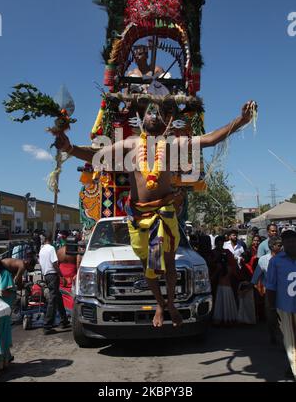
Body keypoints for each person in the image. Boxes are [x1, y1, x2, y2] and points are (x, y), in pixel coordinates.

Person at [55, 100, 255, 328]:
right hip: (138, 214)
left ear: (165, 122)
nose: (153, 113)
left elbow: (210, 139)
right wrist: (69, 149)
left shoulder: (172, 144)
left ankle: (168, 304)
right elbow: (97, 154)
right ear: (142, 120)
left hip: (164, 211)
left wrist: (242, 120)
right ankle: (160, 303)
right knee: (148, 267)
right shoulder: (130, 144)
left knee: (167, 261)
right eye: (149, 111)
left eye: (158, 112)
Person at [266, 230, 296, 379]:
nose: (291, 244)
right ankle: (293, 368)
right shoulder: (276, 261)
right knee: (290, 340)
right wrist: (271, 308)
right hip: (286, 307)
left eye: (293, 240)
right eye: (288, 241)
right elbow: (271, 286)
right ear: (283, 244)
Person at [250, 235, 282, 343]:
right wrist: (254, 287)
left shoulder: (285, 258)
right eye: (279, 245)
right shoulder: (263, 260)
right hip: (269, 292)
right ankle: (272, 334)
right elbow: (256, 277)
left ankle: (283, 336)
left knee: (283, 315)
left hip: (283, 291)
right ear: (272, 247)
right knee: (270, 315)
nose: (281, 247)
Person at [39, 234, 70, 335]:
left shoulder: (42, 249)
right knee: (53, 299)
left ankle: (64, 320)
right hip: (52, 275)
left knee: (58, 297)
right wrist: (61, 275)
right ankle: (47, 325)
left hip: (46, 275)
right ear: (50, 239)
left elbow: (41, 264)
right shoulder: (51, 248)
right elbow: (54, 264)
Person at [0, 255, 16, 373]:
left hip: (2, 309)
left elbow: (11, 293)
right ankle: (3, 360)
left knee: (0, 335)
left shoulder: (5, 274)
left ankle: (2, 361)